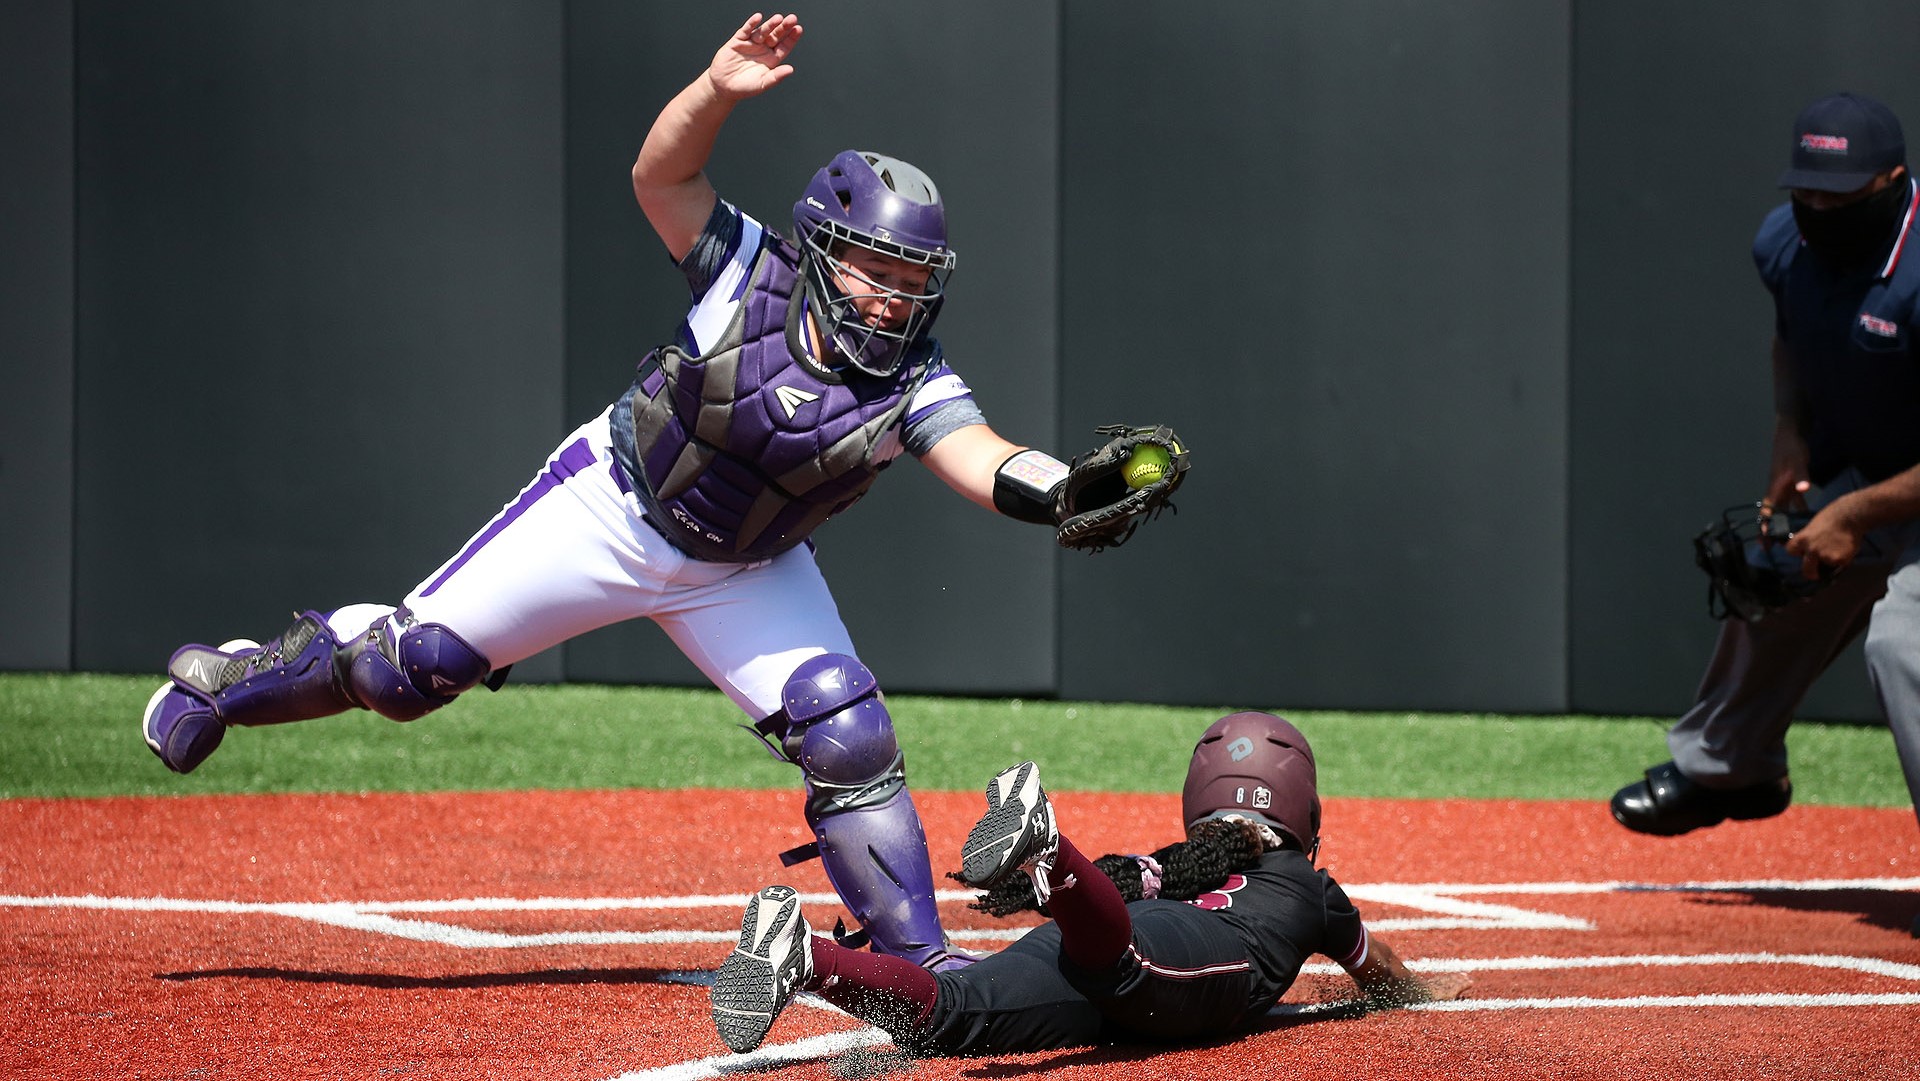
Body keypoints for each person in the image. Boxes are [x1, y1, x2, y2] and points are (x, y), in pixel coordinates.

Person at [139, 13, 1180, 973]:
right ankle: (231, 677)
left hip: (749, 568)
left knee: (847, 728)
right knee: (407, 672)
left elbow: (979, 453)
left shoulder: (914, 375)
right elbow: (659, 175)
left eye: (911, 281)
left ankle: (916, 959)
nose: (891, 298)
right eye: (873, 270)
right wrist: (717, 90)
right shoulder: (748, 274)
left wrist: (1064, 489)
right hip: (612, 507)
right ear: (822, 249)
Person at [709, 711, 1470, 1056]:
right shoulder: (1309, 883)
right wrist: (1423, 993)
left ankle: (803, 955)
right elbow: (1382, 976)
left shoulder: (1173, 861)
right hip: (1169, 960)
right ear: (1303, 803)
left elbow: (1135, 895)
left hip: (1100, 938)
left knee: (951, 1019)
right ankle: (1050, 854)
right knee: (1127, 963)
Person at [1610, 92, 1920, 896]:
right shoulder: (1786, 242)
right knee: (1772, 568)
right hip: (1867, 474)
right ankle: (1733, 768)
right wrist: (1791, 428)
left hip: (1895, 493)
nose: (1818, 208)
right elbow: (1792, 338)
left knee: (1903, 643)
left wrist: (1853, 514)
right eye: (1807, 190)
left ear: (1892, 179)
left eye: (1841, 193)